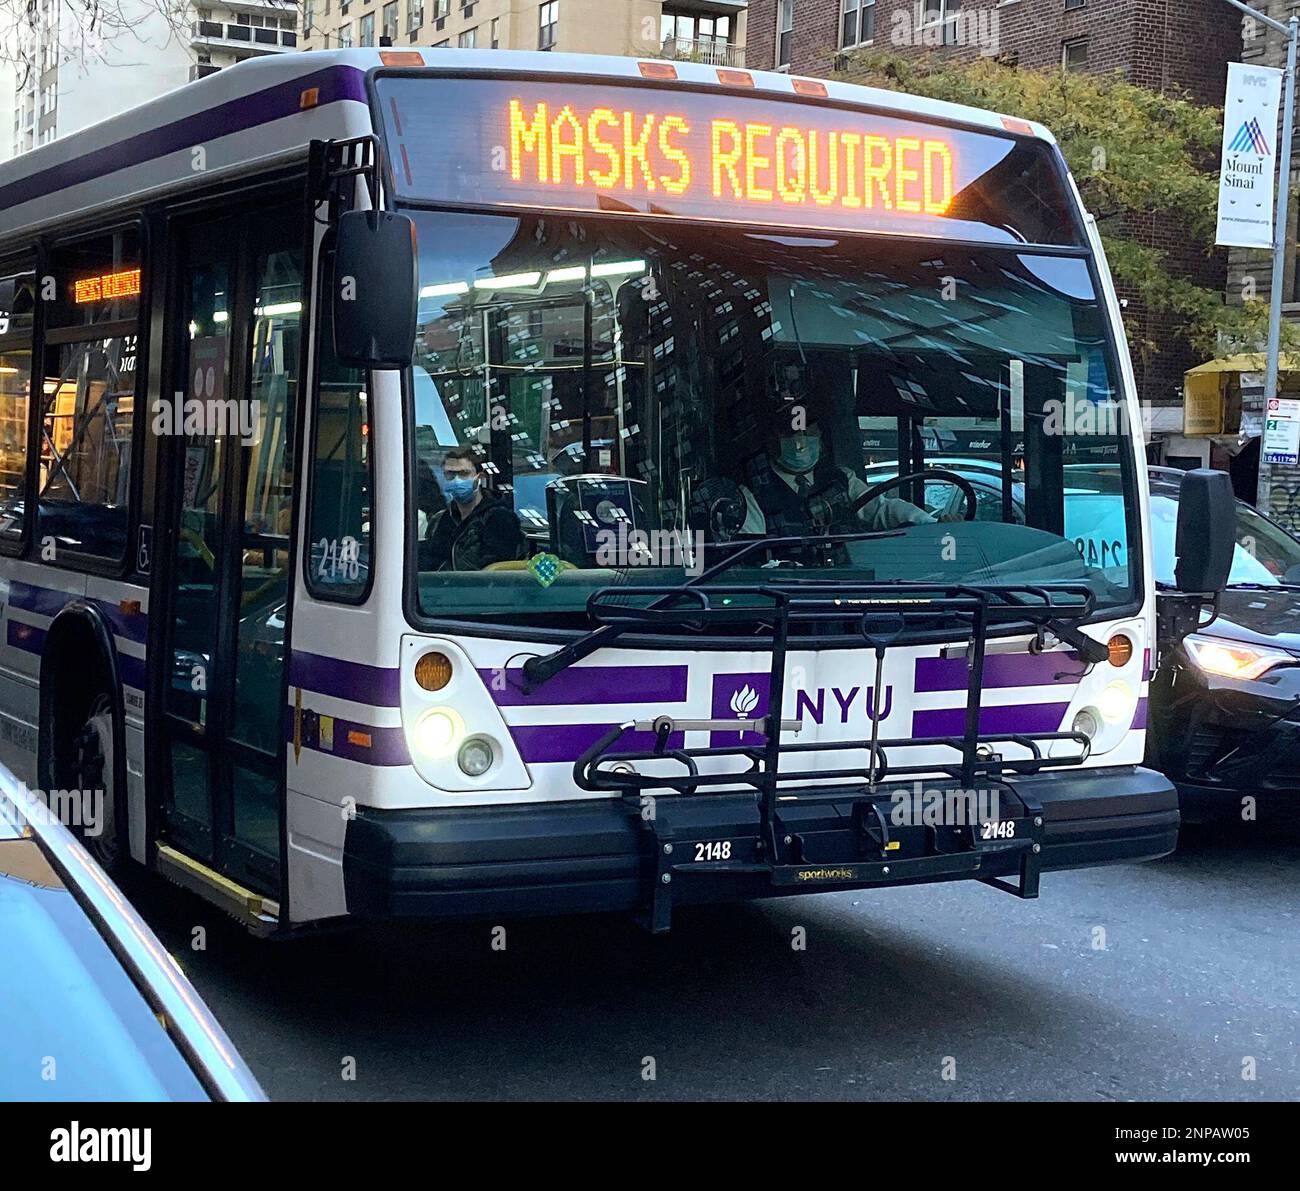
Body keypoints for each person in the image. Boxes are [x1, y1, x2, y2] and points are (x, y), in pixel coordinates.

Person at [738, 420, 938, 537]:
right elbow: (753, 551)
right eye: (790, 434)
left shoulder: (842, 479)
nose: (800, 442)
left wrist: (932, 524)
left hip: (848, 586)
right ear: (772, 439)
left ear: (820, 435)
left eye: (808, 432)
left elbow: (881, 509)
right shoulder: (750, 491)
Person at [421, 445, 526, 571]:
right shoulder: (440, 520)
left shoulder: (499, 518)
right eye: (450, 474)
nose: (456, 480)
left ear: (480, 477)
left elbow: (498, 570)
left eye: (464, 474)